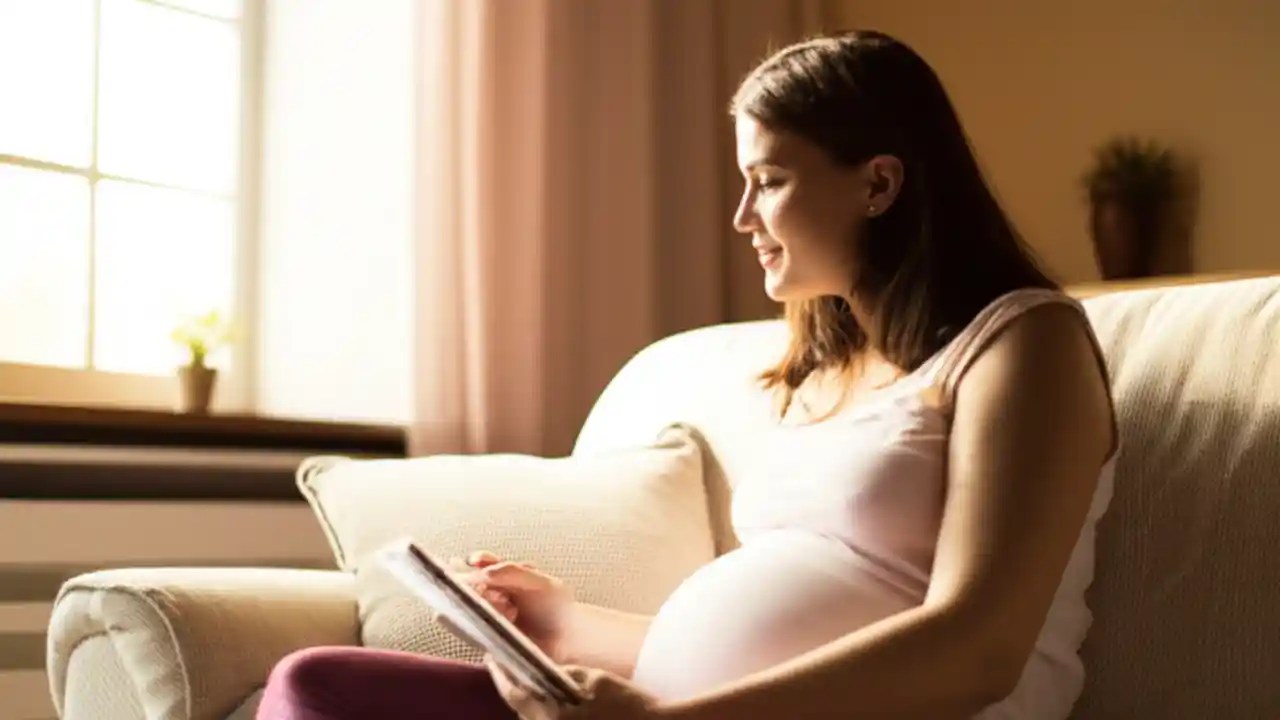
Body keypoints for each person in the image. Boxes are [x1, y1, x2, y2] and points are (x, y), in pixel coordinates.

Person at [256, 30, 1118, 720]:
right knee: (317, 688)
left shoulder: (1023, 344)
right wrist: (559, 623)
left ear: (880, 185)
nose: (742, 217)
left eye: (769, 180)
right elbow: (765, 634)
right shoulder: (825, 376)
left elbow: (979, 650)